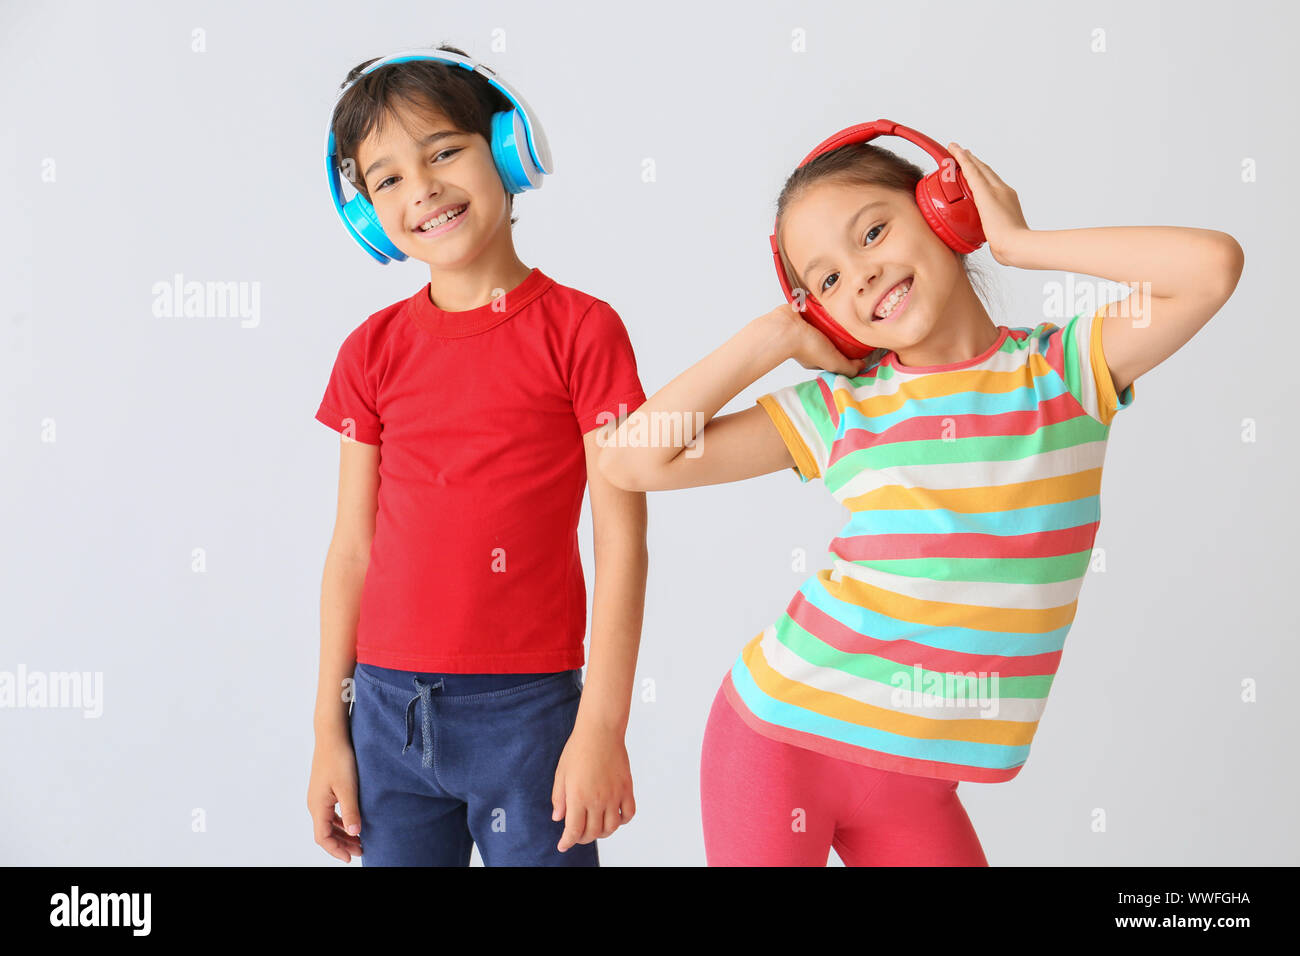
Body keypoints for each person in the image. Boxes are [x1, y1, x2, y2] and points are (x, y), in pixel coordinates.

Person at [597, 132, 1244, 866]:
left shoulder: (1064, 370)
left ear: (944, 215)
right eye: (828, 281)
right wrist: (772, 335)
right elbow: (632, 460)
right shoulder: (842, 411)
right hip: (779, 737)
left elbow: (1212, 269)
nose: (863, 276)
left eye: (873, 231)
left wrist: (1020, 243)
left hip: (918, 781)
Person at [306, 45, 648, 866]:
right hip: (383, 714)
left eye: (443, 151)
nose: (419, 187)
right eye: (385, 179)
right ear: (366, 215)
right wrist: (329, 731)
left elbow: (623, 542)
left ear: (506, 151)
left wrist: (600, 725)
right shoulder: (370, 352)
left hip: (528, 716)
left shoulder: (582, 330)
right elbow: (352, 548)